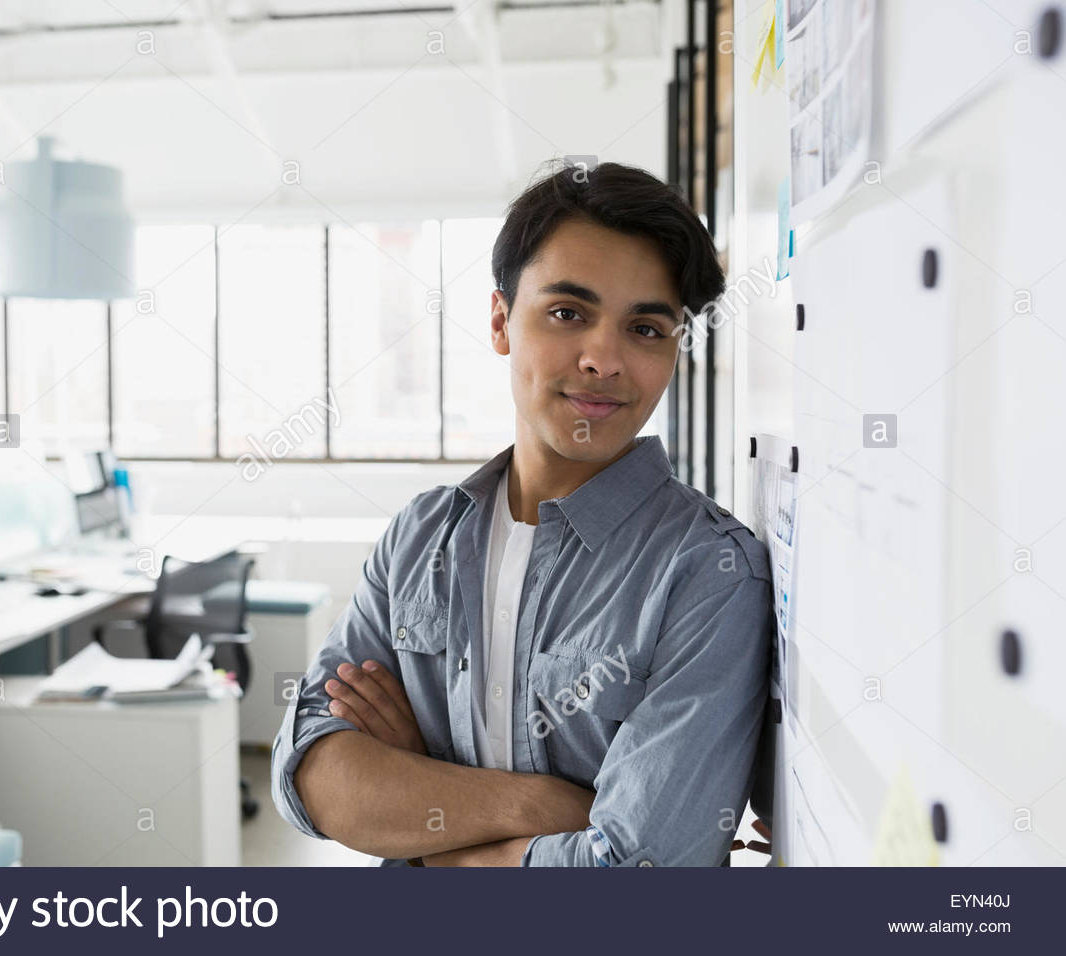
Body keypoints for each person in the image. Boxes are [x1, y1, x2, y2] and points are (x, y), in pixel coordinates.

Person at [271, 161, 773, 866]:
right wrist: (535, 806)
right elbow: (308, 773)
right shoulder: (421, 538)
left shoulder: (710, 575)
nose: (604, 358)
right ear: (502, 320)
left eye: (647, 328)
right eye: (568, 314)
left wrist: (426, 825)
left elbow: (643, 872)